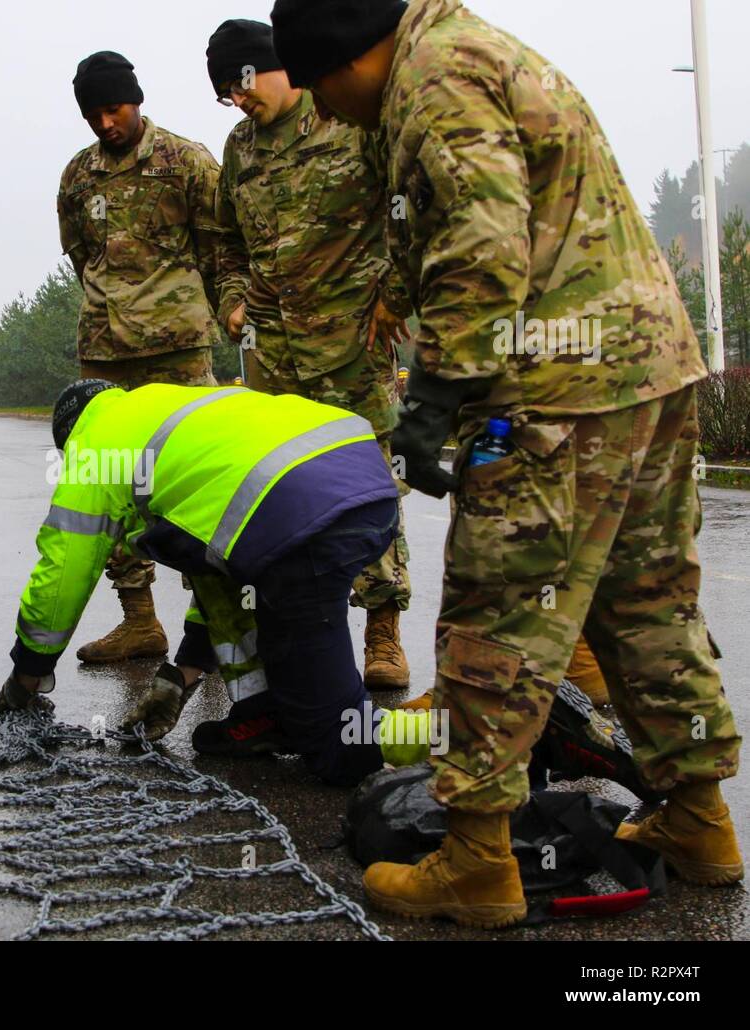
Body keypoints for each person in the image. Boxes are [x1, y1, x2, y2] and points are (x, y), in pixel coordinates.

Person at [271, 0, 742, 928]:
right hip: (647, 369)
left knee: (496, 618)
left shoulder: (432, 76)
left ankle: (478, 863)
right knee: (647, 605)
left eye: (322, 86)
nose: (327, 112)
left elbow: (485, 243)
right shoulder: (472, 49)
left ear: (341, 58)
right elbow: (450, 225)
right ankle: (700, 823)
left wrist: (437, 395)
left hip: (555, 394)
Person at [0, 379, 430, 785]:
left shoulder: (94, 448)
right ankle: (274, 712)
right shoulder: (157, 410)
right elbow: (219, 576)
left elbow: (62, 575)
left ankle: (466, 737)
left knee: (341, 743)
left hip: (305, 517)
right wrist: (182, 672)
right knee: (282, 634)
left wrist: (27, 674)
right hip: (361, 479)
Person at [207, 17, 414, 690]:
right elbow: (224, 242)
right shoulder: (239, 150)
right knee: (288, 492)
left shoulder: (347, 119)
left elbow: (409, 206)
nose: (237, 101)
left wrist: (396, 294)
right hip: (274, 354)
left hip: (352, 343)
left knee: (367, 487)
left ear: (272, 64)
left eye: (239, 84)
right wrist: (232, 299)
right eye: (223, 95)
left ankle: (383, 630)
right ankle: (300, 638)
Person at [57, 51, 226, 667]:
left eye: (114, 107)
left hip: (179, 351)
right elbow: (79, 255)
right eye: (93, 112)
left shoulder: (187, 162)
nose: (105, 122)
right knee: (111, 487)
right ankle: (139, 622)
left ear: (137, 98)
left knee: (194, 484)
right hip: (105, 354)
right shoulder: (78, 176)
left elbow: (218, 248)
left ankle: (210, 627)